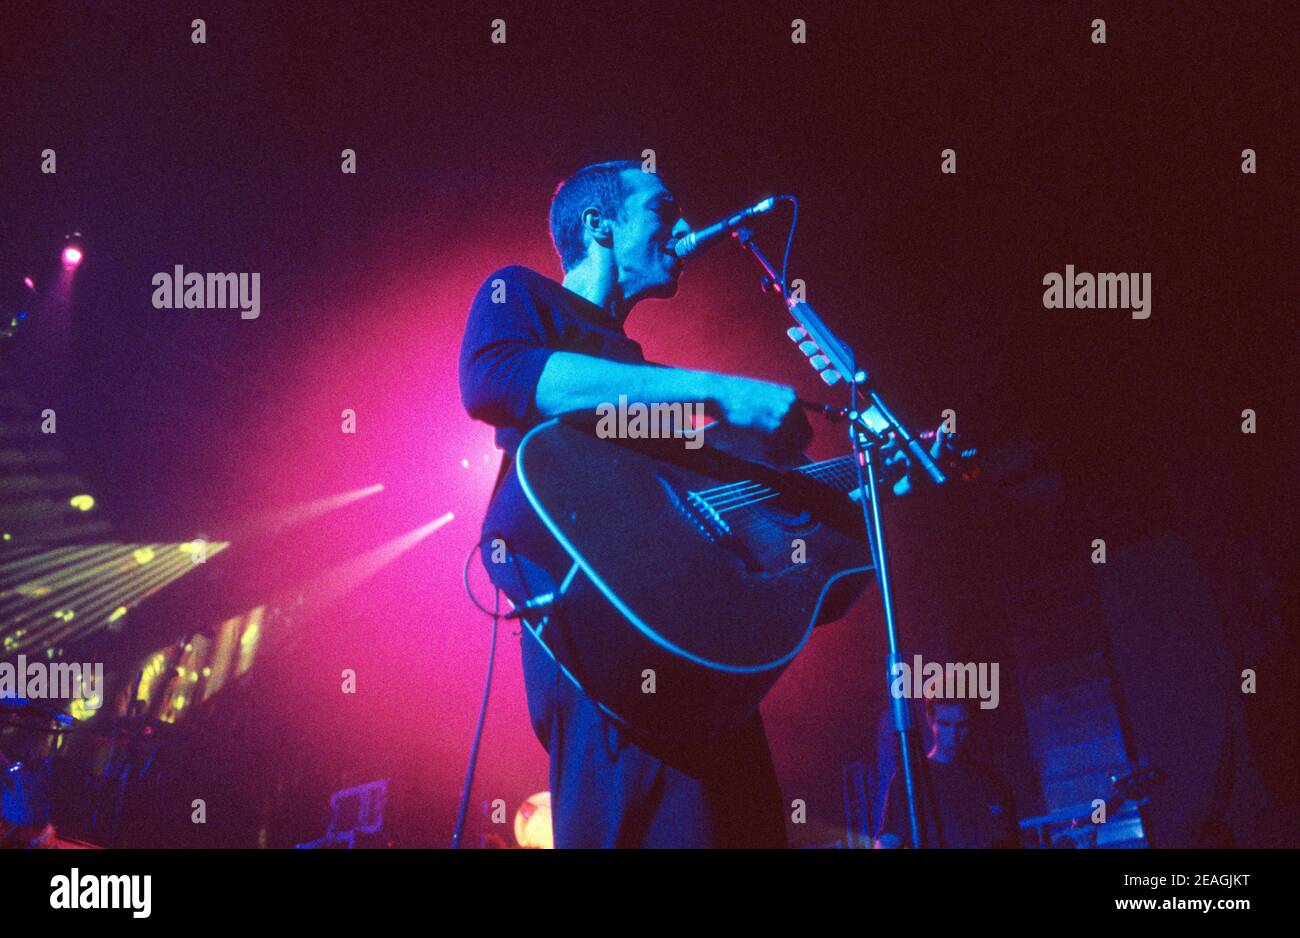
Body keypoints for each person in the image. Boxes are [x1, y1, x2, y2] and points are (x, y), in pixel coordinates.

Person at [458, 159, 812, 847]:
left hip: (696, 657)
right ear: (600, 226)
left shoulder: (642, 380)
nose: (681, 227)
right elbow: (494, 377)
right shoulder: (519, 293)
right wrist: (723, 392)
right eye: (662, 209)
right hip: (607, 664)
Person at [873, 697, 1019, 848]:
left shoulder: (992, 779)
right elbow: (886, 844)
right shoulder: (911, 780)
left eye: (961, 725)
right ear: (930, 720)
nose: (953, 733)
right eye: (945, 724)